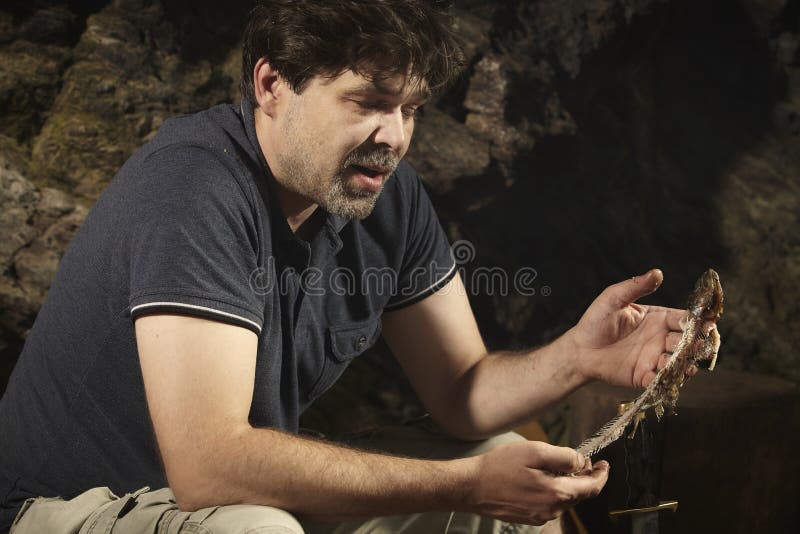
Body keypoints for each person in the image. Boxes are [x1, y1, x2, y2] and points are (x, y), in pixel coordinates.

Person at [0, 1, 692, 533]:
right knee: (256, 528)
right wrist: (466, 483)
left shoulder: (381, 193)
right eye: (367, 102)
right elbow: (209, 467)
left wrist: (578, 356)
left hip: (212, 501)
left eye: (410, 110)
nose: (393, 136)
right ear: (271, 83)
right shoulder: (194, 186)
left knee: (501, 458)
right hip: (63, 510)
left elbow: (462, 392)